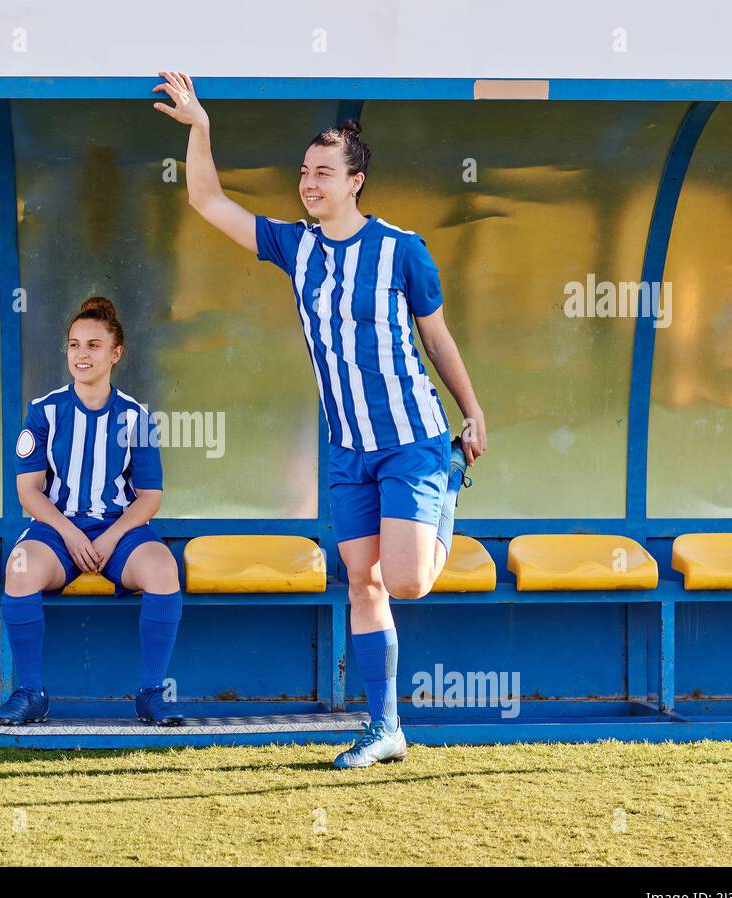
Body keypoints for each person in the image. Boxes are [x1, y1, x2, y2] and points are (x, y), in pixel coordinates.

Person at [155, 71, 488, 767]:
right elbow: (206, 199)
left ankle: (448, 482)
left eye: (324, 173)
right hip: (348, 451)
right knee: (362, 583)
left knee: (405, 582)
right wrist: (201, 127)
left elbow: (438, 338)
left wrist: (472, 411)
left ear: (355, 180)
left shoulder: (403, 250)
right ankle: (385, 728)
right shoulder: (293, 246)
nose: (310, 184)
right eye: (305, 173)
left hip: (411, 439)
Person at [0, 296, 186, 727]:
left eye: (94, 345)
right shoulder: (44, 411)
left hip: (119, 531)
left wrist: (111, 536)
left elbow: (150, 497)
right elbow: (29, 491)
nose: (82, 354)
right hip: (56, 529)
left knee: (163, 568)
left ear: (116, 354)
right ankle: (31, 693)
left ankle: (151, 694)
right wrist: (72, 534)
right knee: (19, 567)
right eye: (74, 344)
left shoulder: (136, 417)